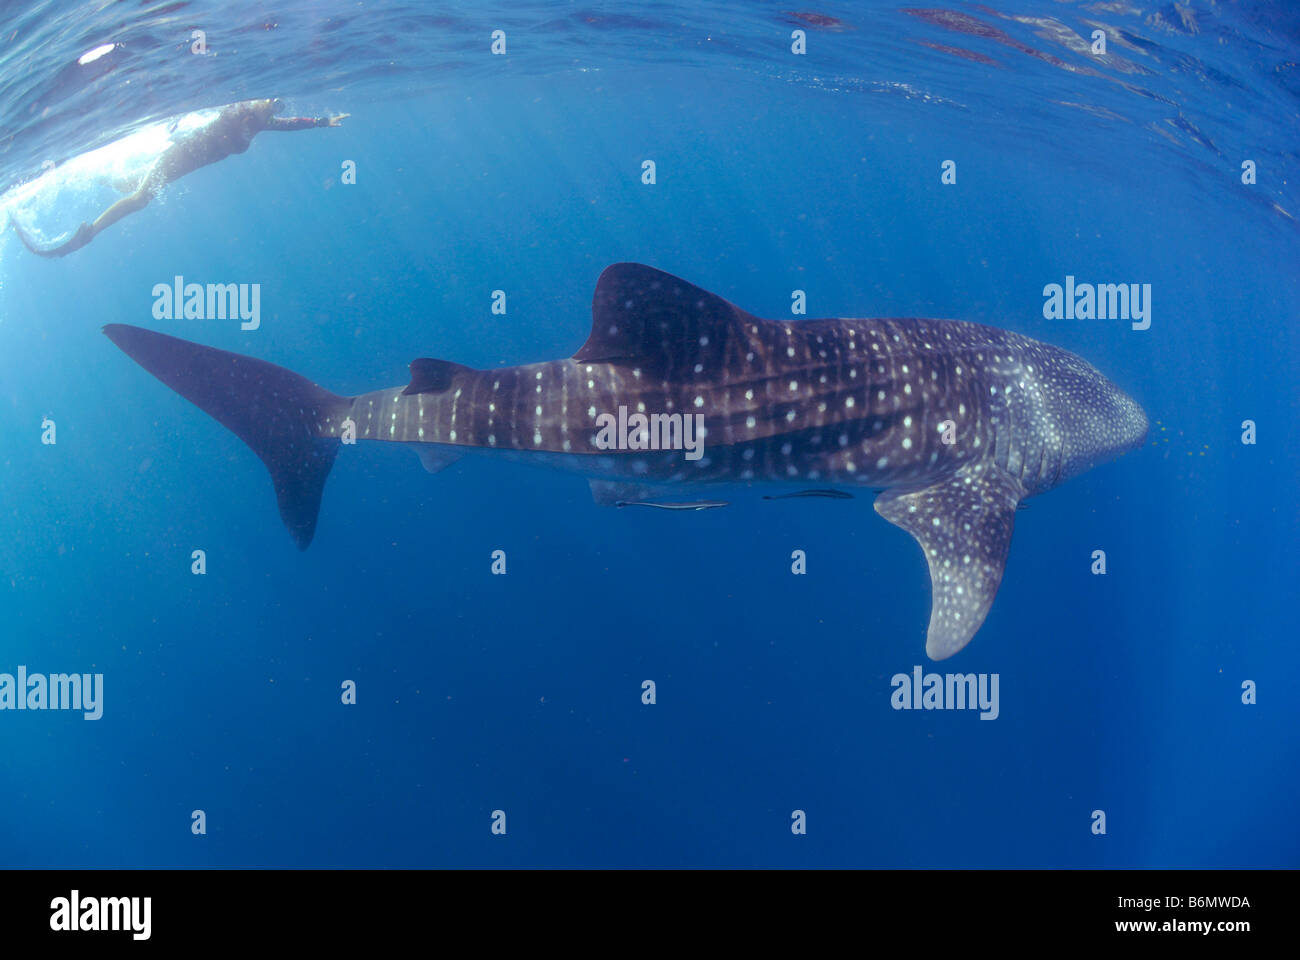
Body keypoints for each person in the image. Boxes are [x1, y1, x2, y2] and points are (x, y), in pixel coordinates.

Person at [11, 98, 348, 257]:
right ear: (255, 101)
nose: (272, 108)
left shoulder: (261, 123)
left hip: (184, 166)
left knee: (128, 184)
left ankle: (88, 173)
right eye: (268, 103)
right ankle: (88, 235)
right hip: (178, 154)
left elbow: (290, 125)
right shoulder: (236, 110)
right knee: (140, 199)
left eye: (275, 107)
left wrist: (322, 122)